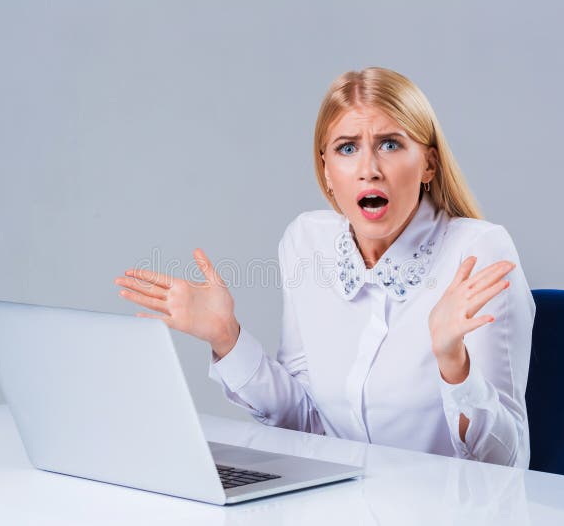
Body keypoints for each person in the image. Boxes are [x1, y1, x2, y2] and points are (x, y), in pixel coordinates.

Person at [114, 67, 536, 467]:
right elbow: (305, 421)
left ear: (428, 163)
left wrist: (452, 362)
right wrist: (228, 339)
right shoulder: (306, 242)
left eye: (390, 144)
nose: (369, 169)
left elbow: (507, 462)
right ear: (326, 171)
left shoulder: (479, 252)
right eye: (347, 148)